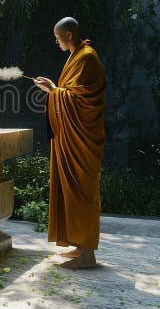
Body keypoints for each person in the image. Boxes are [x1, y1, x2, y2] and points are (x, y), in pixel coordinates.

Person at [34, 17, 105, 269]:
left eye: (58, 36)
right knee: (69, 191)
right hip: (71, 137)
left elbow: (81, 100)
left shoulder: (86, 57)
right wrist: (53, 90)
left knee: (82, 192)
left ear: (70, 34)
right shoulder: (76, 56)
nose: (56, 41)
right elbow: (71, 92)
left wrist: (53, 90)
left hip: (83, 140)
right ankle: (79, 245)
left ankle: (88, 254)